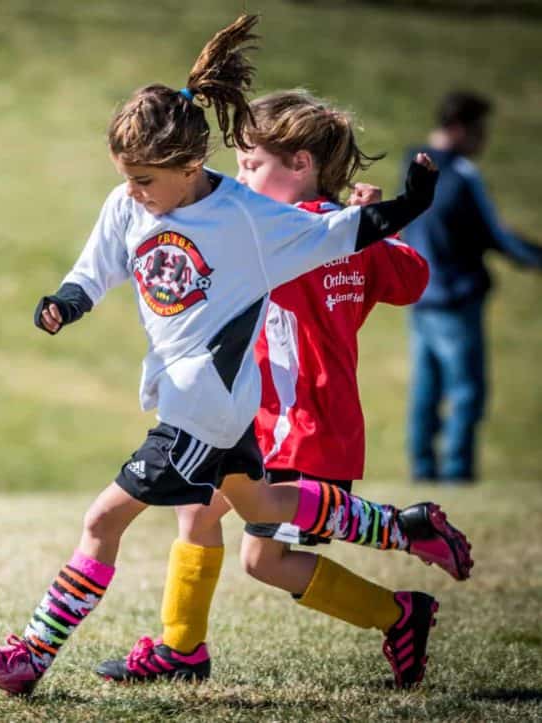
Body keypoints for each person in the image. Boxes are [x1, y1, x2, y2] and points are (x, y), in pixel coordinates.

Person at [0, 15, 470, 697]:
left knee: (102, 520)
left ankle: (31, 653)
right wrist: (66, 301)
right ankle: (402, 530)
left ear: (186, 167)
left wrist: (413, 201)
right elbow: (97, 265)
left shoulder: (244, 216)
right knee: (256, 506)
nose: (135, 192)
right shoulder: (130, 203)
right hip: (226, 408)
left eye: (147, 179)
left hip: (202, 409)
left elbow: (342, 232)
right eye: (129, 178)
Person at [94, 90, 440, 690]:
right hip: (257, 419)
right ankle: (182, 649)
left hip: (304, 428)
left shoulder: (281, 233)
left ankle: (400, 608)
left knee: (264, 560)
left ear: (300, 165)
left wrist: (362, 231)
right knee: (197, 513)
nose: (240, 177)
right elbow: (411, 279)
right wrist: (371, 232)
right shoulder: (321, 231)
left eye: (252, 164)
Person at [404, 91, 542, 483]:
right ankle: (457, 472)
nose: (484, 141)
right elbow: (495, 234)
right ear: (461, 129)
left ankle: (423, 470)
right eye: (480, 131)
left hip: (421, 296)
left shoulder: (413, 166)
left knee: (426, 390)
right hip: (456, 298)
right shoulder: (462, 173)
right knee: (465, 392)